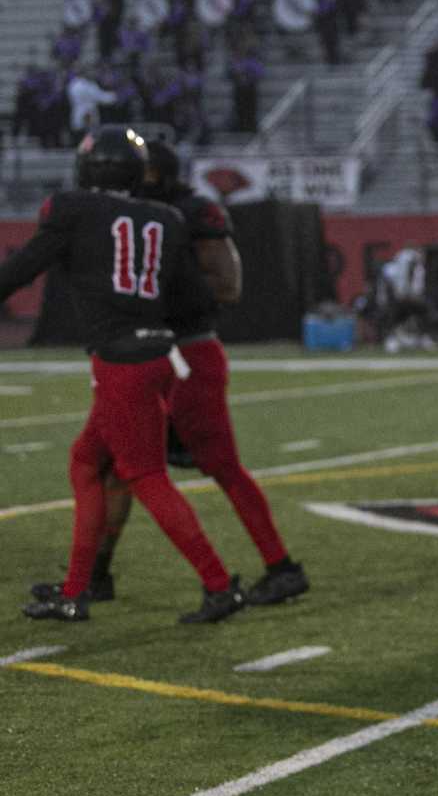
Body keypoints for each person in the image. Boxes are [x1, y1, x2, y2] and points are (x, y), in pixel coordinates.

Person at [31, 139, 309, 609]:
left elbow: (227, 286)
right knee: (105, 464)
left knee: (208, 466)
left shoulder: (186, 213)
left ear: (150, 174)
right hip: (142, 358)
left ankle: (275, 568)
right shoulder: (131, 215)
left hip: (183, 355)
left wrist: (143, 300)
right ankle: (94, 577)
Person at [4, 127, 246, 624]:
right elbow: (196, 298)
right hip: (160, 354)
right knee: (86, 462)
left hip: (121, 362)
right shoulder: (165, 218)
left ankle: (219, 584)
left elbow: (22, 269)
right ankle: (76, 589)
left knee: (146, 476)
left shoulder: (72, 209)